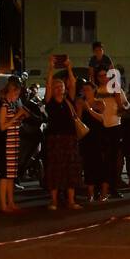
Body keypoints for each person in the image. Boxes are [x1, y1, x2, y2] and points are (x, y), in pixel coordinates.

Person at [43, 58, 83, 211]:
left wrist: (69, 67)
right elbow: (47, 84)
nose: (59, 88)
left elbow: (73, 83)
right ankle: (53, 201)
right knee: (55, 169)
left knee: (70, 169)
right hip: (55, 139)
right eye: (56, 86)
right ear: (53, 89)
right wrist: (51, 69)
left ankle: (71, 200)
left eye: (61, 86)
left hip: (70, 138)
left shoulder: (69, 101)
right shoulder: (50, 102)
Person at [0, 80, 29, 214]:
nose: (18, 97)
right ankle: (3, 204)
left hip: (13, 142)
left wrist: (20, 116)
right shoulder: (4, 105)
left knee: (11, 175)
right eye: (17, 94)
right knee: (5, 175)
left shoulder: (11, 104)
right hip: (6, 143)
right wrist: (17, 116)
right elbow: (2, 126)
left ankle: (11, 202)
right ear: (11, 92)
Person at [94, 66, 127, 198]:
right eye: (100, 76)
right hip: (101, 126)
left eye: (105, 75)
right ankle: (100, 187)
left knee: (114, 159)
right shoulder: (96, 90)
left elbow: (126, 104)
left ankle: (113, 187)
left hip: (114, 125)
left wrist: (122, 107)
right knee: (101, 159)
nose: (103, 78)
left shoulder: (116, 90)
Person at [77, 80, 109, 203]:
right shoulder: (81, 103)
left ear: (94, 90)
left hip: (99, 137)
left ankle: (104, 193)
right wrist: (80, 108)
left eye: (88, 89)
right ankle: (90, 194)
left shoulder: (99, 103)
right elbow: (79, 121)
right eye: (84, 90)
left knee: (102, 164)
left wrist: (89, 108)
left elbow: (102, 118)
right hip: (87, 138)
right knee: (89, 165)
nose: (86, 92)